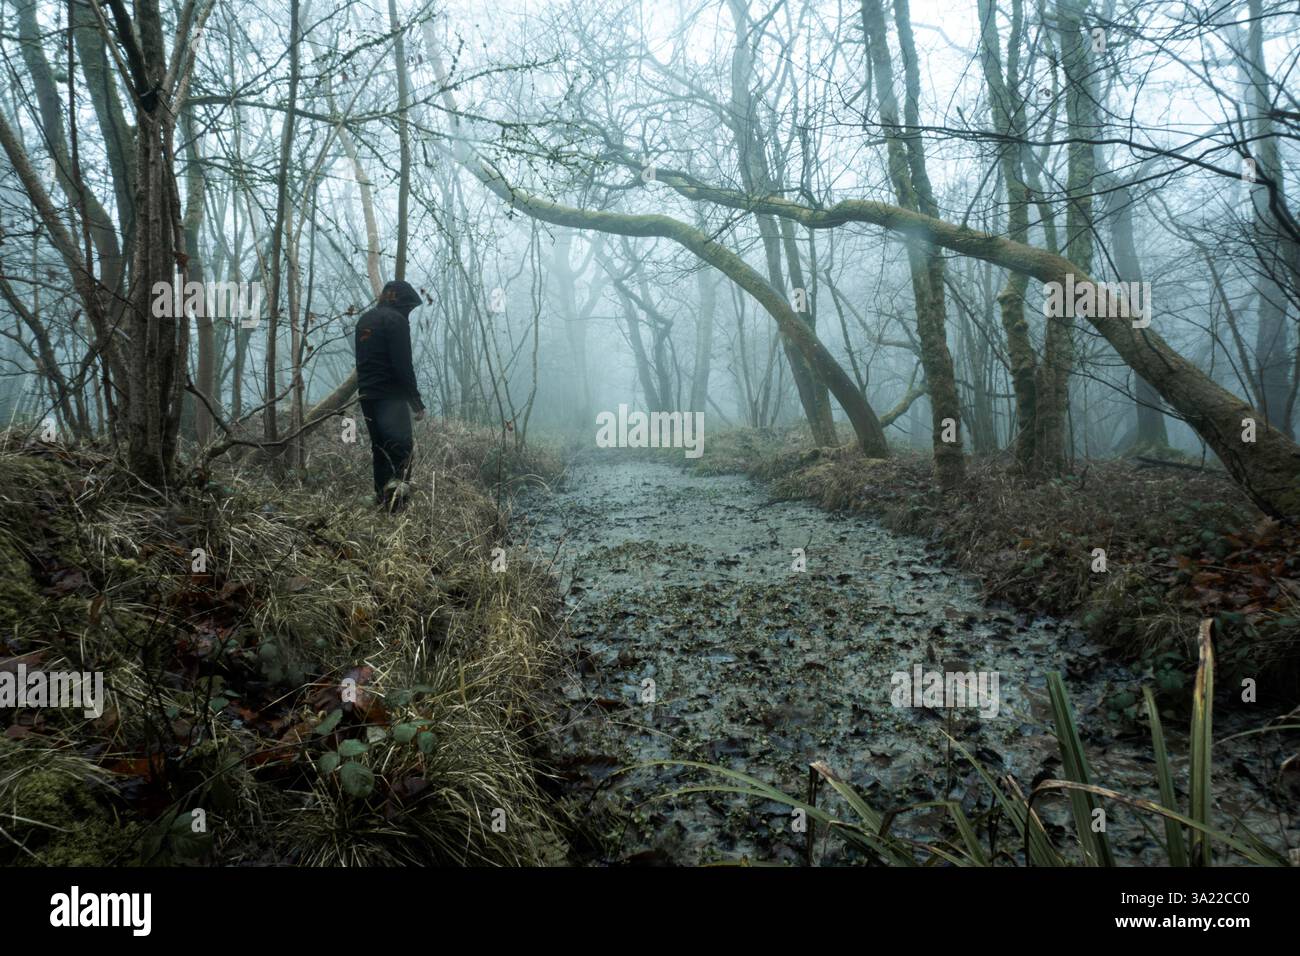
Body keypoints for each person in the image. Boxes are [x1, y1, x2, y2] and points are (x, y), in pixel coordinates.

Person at [354, 280, 426, 510]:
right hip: (390, 397)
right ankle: (397, 507)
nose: (409, 313)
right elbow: (402, 366)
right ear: (402, 302)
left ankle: (380, 501)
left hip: (366, 396)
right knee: (401, 450)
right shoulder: (396, 321)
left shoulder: (365, 319)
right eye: (410, 308)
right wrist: (416, 402)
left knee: (379, 448)